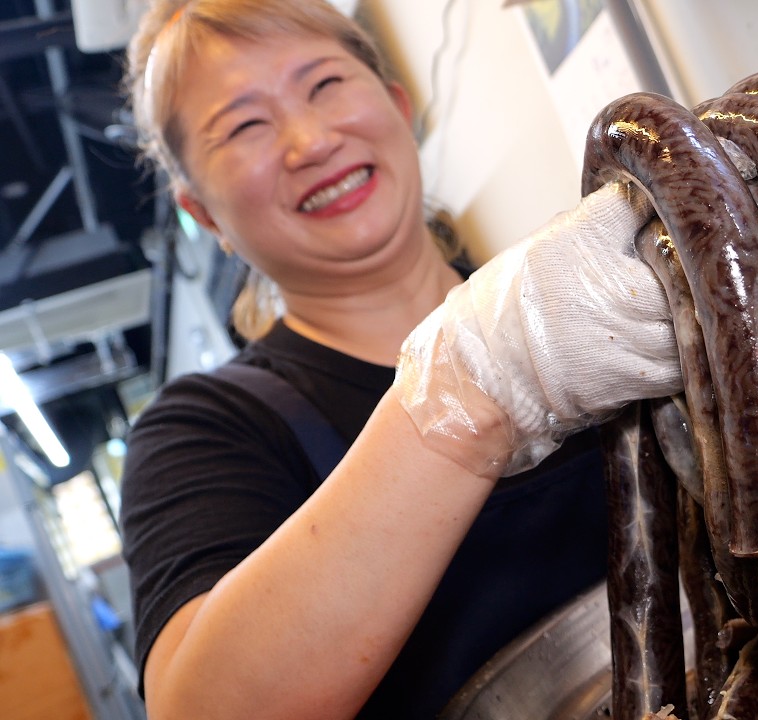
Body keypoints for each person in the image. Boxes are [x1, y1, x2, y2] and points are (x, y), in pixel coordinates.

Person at [117, 1, 680, 718]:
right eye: (245, 126)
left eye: (324, 84)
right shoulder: (207, 428)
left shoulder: (586, 300)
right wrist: (476, 385)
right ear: (203, 214)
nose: (310, 141)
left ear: (397, 105)